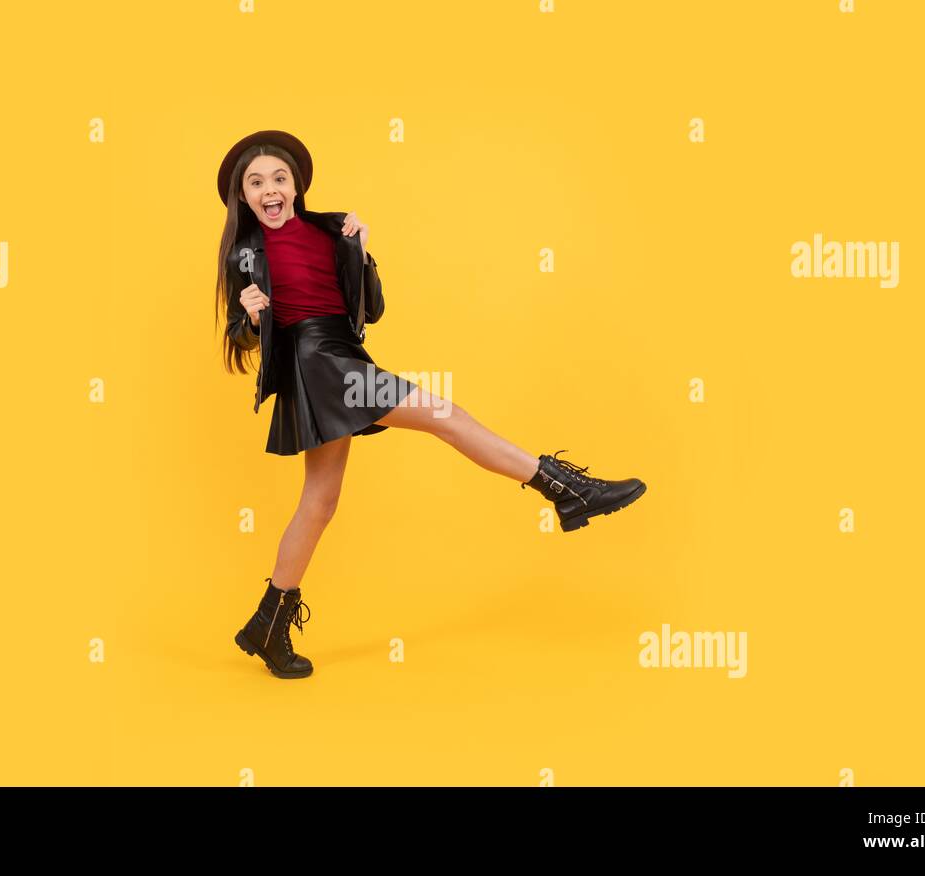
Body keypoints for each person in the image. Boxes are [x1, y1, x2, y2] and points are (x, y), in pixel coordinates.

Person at [215, 130, 646, 679]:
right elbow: (243, 339)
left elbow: (370, 311)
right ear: (244, 197)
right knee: (446, 415)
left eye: (279, 179)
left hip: (344, 356)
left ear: (297, 186)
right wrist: (252, 317)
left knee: (319, 503)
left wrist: (361, 255)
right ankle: (565, 490)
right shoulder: (246, 256)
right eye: (256, 184)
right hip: (318, 366)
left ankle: (268, 625)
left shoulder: (333, 230)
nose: (269, 190)